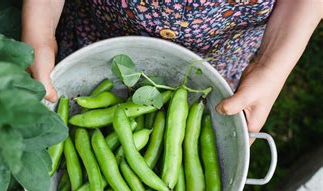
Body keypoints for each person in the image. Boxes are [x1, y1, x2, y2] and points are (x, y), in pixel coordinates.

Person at [22, 0, 321, 135]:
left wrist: (271, 67)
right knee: (88, 93)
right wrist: (39, 32)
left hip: (218, 51)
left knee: (191, 110)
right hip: (102, 31)